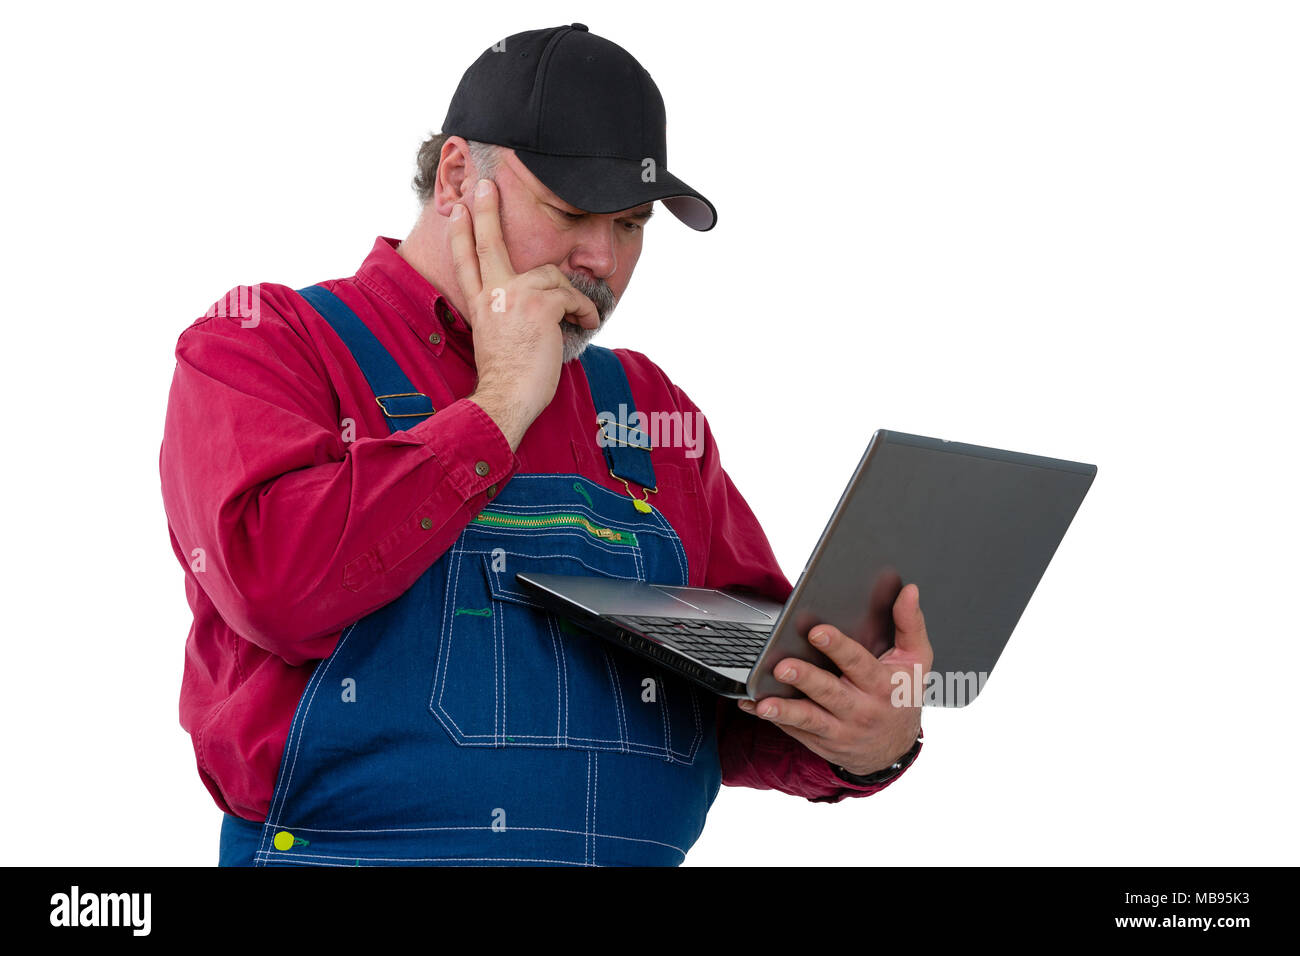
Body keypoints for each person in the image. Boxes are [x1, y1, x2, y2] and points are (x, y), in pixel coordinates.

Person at [159, 23, 930, 867]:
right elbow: (276, 588)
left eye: (631, 224)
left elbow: (738, 700)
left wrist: (859, 742)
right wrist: (493, 412)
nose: (600, 258)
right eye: (570, 212)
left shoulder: (645, 409)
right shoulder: (270, 345)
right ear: (458, 177)